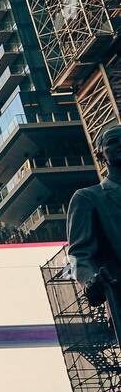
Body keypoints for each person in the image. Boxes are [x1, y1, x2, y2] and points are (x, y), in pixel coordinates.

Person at [68, 125, 121, 348]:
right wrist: (89, 280)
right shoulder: (88, 198)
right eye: (113, 141)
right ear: (100, 153)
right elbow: (80, 253)